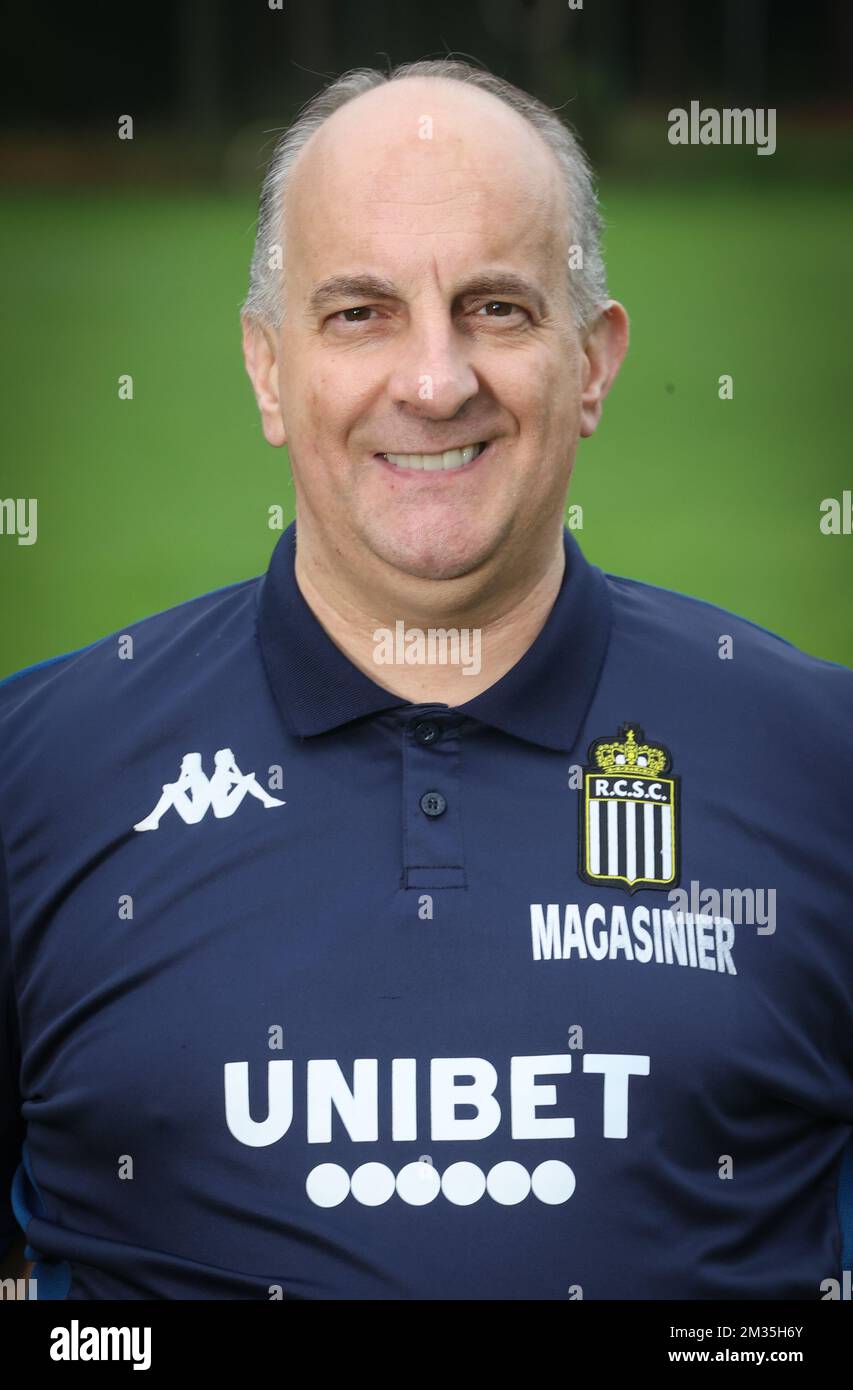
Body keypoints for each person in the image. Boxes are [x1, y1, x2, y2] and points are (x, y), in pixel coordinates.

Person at [1, 58, 851, 1301]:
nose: (436, 380)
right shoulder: (39, 772)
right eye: (360, 313)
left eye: (497, 308)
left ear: (596, 361)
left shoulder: (819, 763)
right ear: (267, 370)